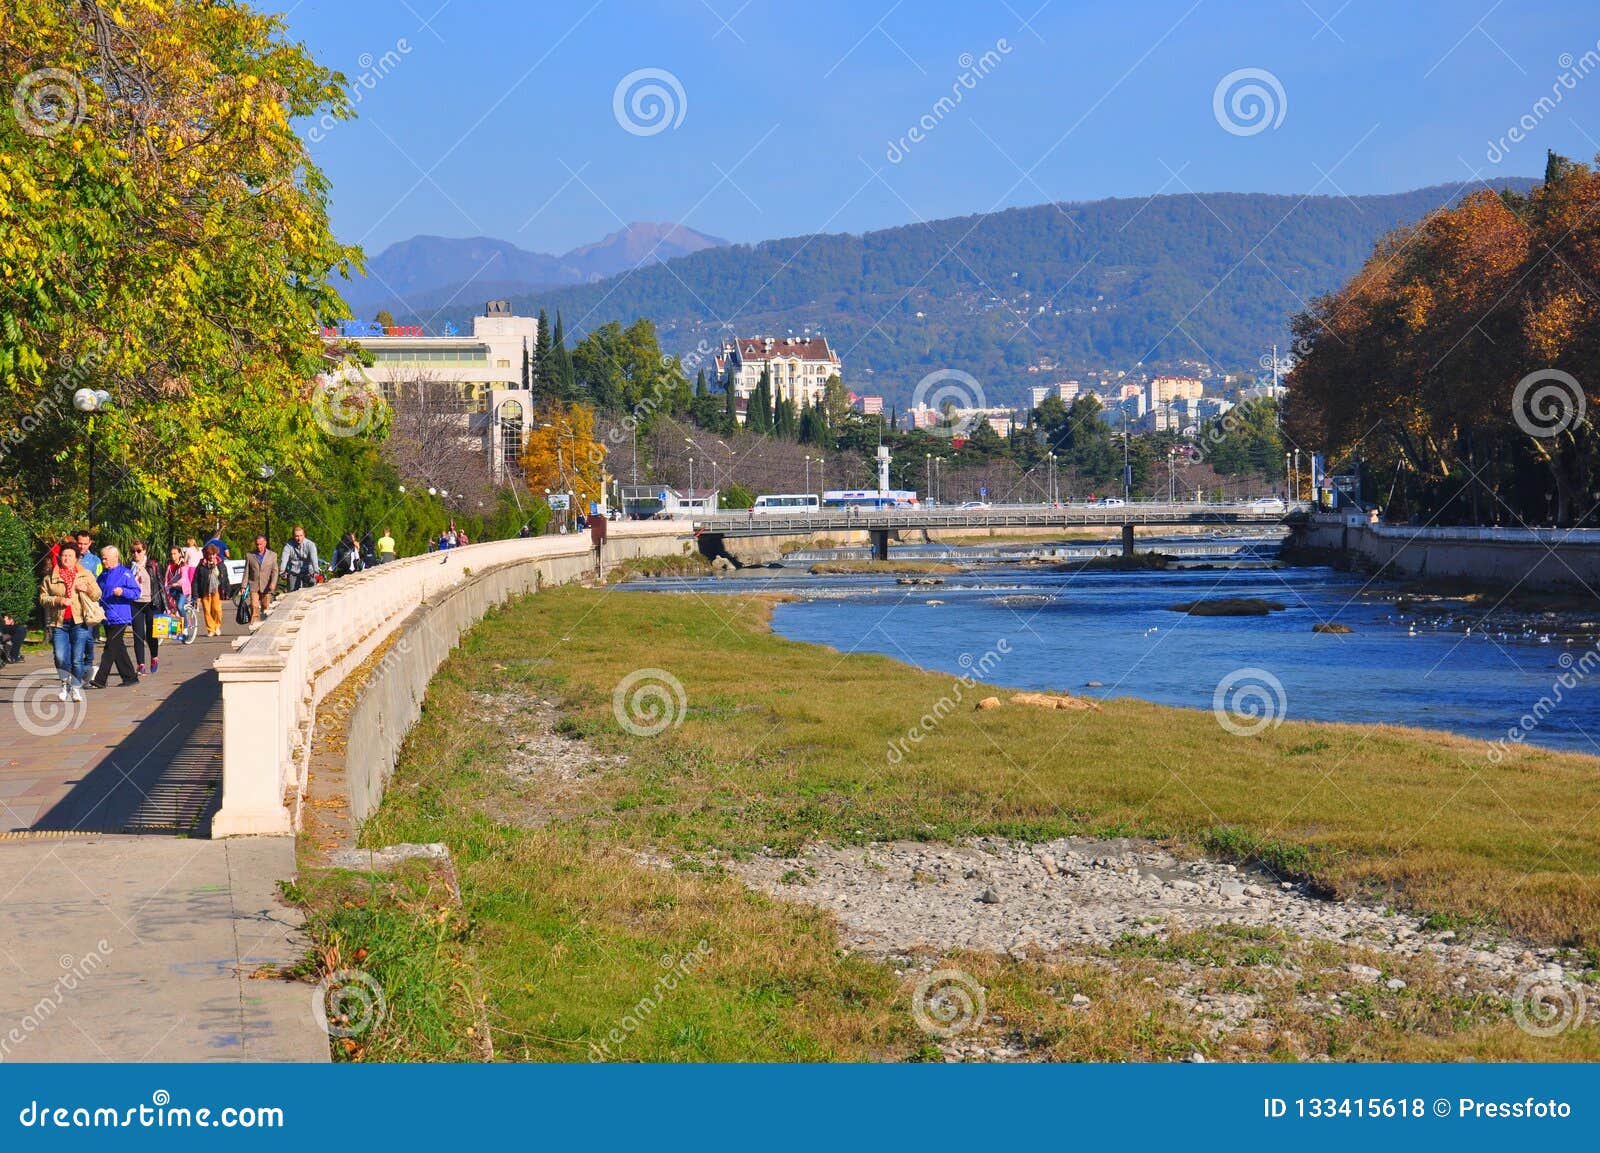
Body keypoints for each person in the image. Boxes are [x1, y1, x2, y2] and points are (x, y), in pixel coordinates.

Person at [39, 541, 101, 701]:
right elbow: (42, 598)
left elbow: (97, 594)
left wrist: (86, 589)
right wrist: (58, 600)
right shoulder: (51, 577)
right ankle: (64, 683)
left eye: (70, 556)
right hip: (59, 623)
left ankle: (75, 687)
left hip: (79, 622)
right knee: (60, 656)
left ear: (76, 558)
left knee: (76, 658)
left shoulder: (85, 574)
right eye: (64, 555)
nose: (66, 558)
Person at [89, 545, 140, 688]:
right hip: (106, 616)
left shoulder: (125, 573)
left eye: (105, 558)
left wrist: (123, 591)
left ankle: (100, 679)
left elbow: (136, 592)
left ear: (115, 558)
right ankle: (130, 677)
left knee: (110, 647)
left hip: (120, 617)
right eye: (102, 558)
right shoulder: (103, 575)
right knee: (118, 648)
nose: (103, 561)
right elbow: (97, 593)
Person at [127, 540, 166, 675]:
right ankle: (140, 664)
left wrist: (166, 606)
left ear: (145, 551)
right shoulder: (129, 567)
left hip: (151, 603)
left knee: (151, 633)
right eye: (133, 551)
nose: (135, 554)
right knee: (138, 634)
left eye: (138, 551)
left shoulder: (153, 565)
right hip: (135, 603)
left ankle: (154, 657)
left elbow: (161, 585)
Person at [192, 542, 230, 637]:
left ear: (216, 554)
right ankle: (210, 629)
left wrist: (227, 590)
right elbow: (196, 580)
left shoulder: (220, 563)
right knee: (207, 610)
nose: (211, 556)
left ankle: (217, 626)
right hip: (205, 591)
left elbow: (225, 577)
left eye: (213, 554)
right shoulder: (201, 564)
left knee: (217, 609)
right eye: (209, 554)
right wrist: (196, 595)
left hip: (216, 590)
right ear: (206, 554)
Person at [244, 534, 279, 628]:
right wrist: (243, 586)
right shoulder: (250, 555)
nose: (258, 546)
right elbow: (246, 571)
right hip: (254, 585)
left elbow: (275, 571)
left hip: (266, 586)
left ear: (265, 543)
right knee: (254, 606)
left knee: (265, 608)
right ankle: (254, 625)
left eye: (260, 544)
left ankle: (265, 626)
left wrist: (273, 583)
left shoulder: (272, 555)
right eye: (257, 544)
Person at [164, 545, 195, 644]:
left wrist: (177, 583)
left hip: (183, 589)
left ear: (179, 554)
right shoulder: (169, 566)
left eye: (175, 553)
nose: (173, 556)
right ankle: (174, 629)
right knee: (169, 607)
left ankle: (185, 628)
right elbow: (166, 579)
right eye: (171, 554)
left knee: (180, 606)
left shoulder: (183, 565)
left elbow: (184, 578)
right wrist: (164, 587)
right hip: (173, 589)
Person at [280, 526, 320, 591]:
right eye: (296, 536)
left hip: (308, 572)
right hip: (294, 572)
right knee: (292, 593)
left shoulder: (310, 545)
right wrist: (282, 571)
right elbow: (284, 559)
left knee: (312, 588)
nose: (299, 538)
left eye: (301, 535)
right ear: (293, 536)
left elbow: (314, 559)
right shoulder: (288, 546)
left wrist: (316, 571)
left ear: (304, 535)